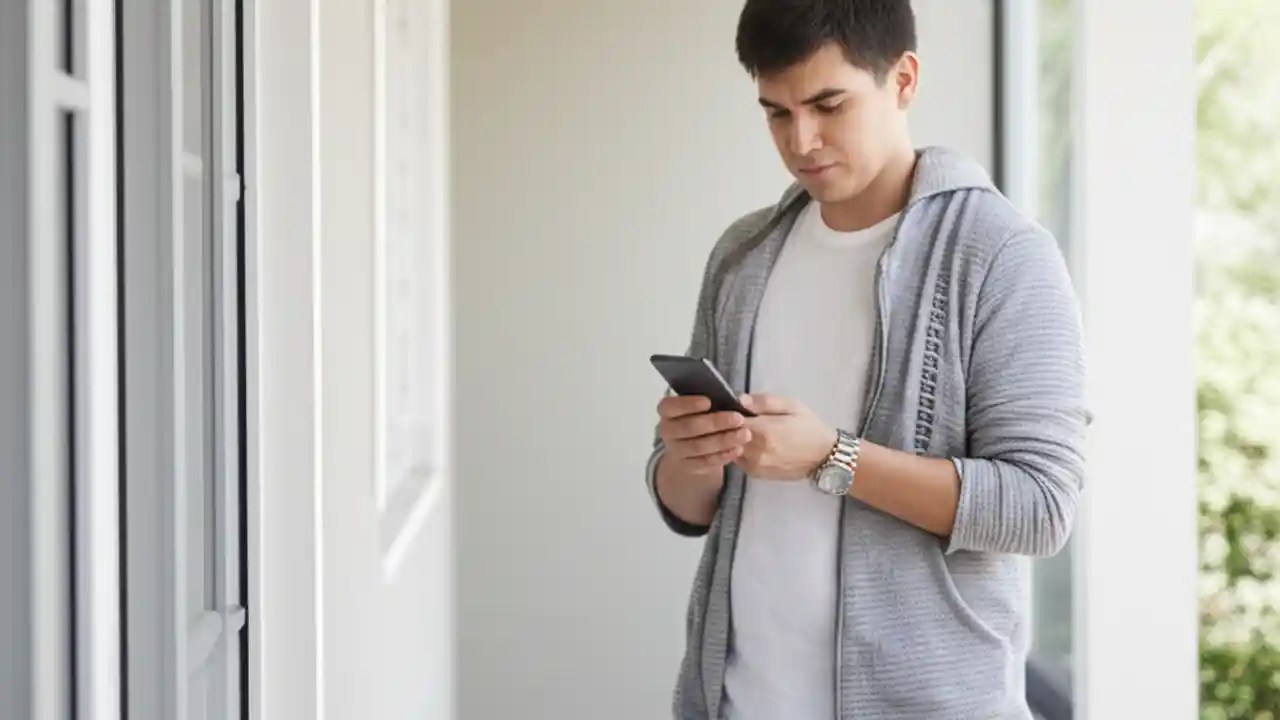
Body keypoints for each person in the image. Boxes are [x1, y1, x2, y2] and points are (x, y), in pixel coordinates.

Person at [644, 1, 1089, 718]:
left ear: (904, 80)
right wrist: (690, 456)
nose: (802, 141)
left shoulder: (1003, 254)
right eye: (777, 114)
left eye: (828, 104)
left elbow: (1039, 508)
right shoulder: (742, 255)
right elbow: (686, 506)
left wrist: (832, 457)